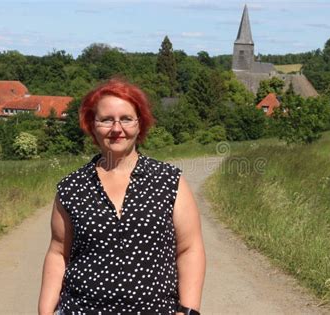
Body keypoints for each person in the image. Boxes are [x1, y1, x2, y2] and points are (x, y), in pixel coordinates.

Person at [38, 78, 206, 315]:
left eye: (126, 119)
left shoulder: (169, 181)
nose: (117, 129)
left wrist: (188, 311)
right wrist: (45, 312)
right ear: (92, 125)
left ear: (140, 124)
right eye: (106, 120)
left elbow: (190, 248)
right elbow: (58, 253)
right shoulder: (72, 188)